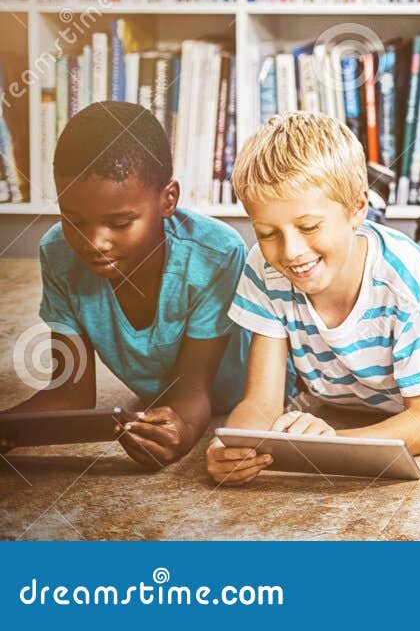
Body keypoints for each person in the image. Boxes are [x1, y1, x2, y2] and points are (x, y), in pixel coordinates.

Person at [205, 112, 420, 486]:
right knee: (324, 257)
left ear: (357, 208)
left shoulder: (406, 278)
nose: (290, 251)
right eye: (267, 232)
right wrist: (233, 446)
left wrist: (330, 444)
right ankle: (378, 214)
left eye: (308, 226)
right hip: (345, 275)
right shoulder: (264, 266)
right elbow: (261, 402)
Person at [0, 102, 248, 468]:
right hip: (161, 404)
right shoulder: (57, 253)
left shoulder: (216, 254)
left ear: (168, 199)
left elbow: (195, 389)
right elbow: (71, 393)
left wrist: (180, 432)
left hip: (237, 399)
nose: (94, 242)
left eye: (119, 222)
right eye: (74, 220)